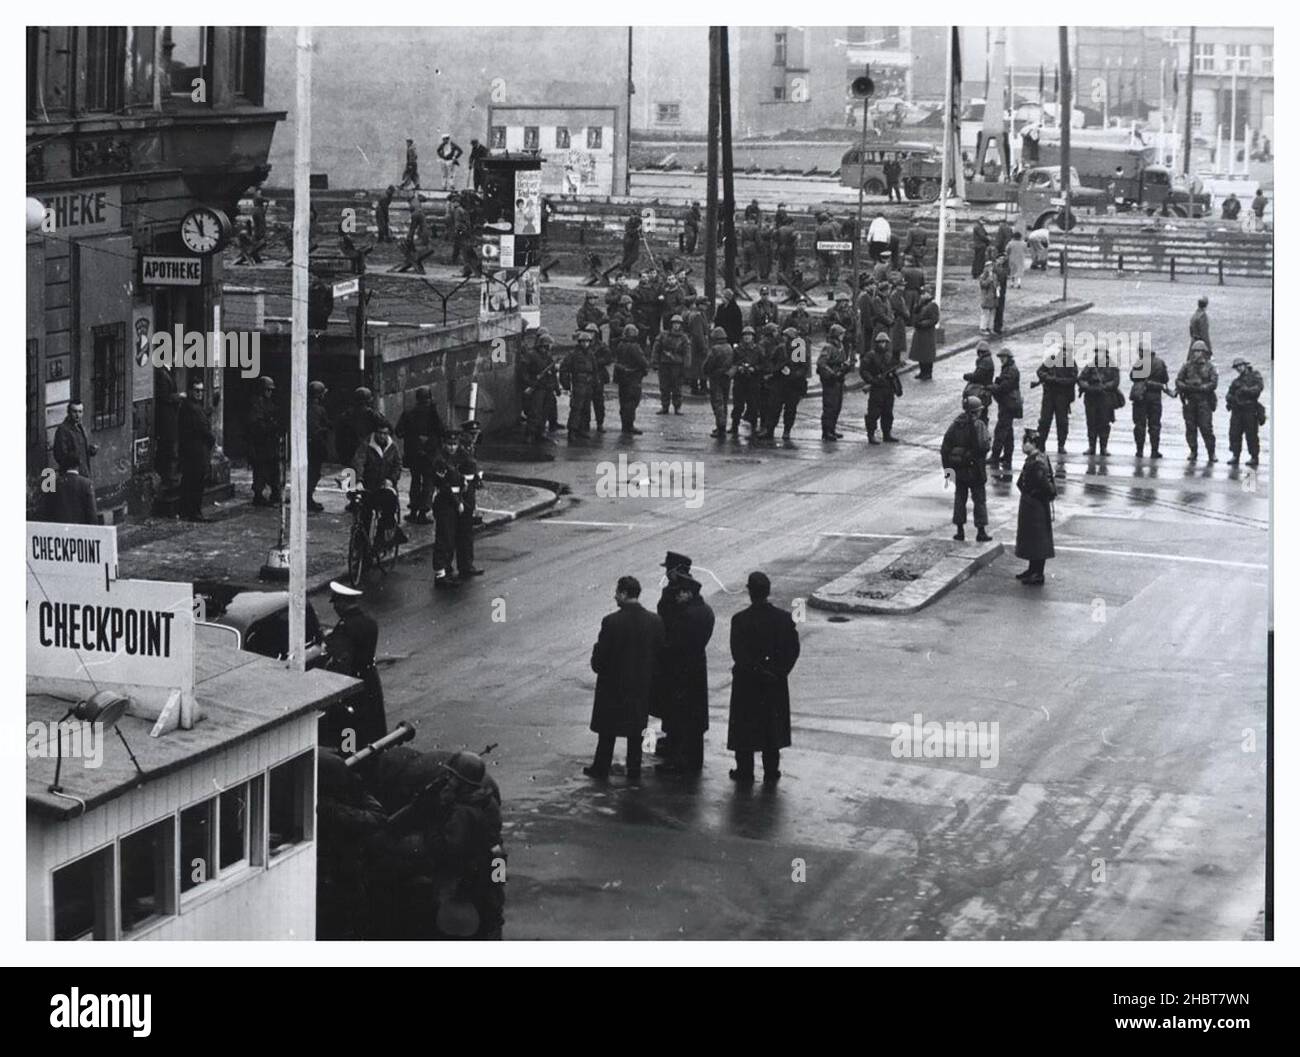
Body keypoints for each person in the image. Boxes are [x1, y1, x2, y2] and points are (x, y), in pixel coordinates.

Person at [585, 575, 664, 783]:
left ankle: (600, 767)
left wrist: (596, 658)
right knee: (636, 730)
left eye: (617, 593)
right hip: (640, 687)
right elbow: (659, 655)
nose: (614, 597)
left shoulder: (611, 622)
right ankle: (634, 769)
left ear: (623, 593)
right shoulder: (654, 621)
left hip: (613, 688)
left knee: (607, 731)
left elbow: (599, 661)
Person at [727, 571, 800, 785]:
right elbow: (793, 649)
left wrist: (756, 671)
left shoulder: (740, 620)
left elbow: (738, 654)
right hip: (774, 683)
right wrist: (778, 672)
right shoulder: (784, 619)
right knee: (771, 728)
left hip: (748, 683)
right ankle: (771, 770)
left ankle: (745, 770)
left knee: (745, 728)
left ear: (749, 592)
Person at [657, 575, 715, 776]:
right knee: (695, 721)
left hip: (681, 672)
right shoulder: (706, 611)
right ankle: (694, 761)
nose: (677, 597)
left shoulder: (686, 615)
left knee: (680, 718)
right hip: (697, 669)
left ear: (689, 593)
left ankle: (679, 763)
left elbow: (673, 644)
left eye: (680, 593)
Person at [323, 581, 387, 748]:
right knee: (372, 722)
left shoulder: (345, 629)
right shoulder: (370, 623)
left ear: (343, 603)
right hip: (370, 680)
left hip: (351, 684)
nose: (335, 608)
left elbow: (342, 661)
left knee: (348, 725)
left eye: (336, 603)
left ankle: (350, 754)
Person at [942, 396, 993, 542]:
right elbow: (984, 447)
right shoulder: (979, 425)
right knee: (979, 500)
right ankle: (981, 531)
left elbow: (945, 449)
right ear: (976, 411)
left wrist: (948, 470)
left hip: (959, 470)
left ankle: (960, 531)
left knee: (959, 499)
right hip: (975, 469)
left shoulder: (955, 425)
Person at [395, 387, 445, 523]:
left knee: (415, 481)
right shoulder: (433, 413)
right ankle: (423, 512)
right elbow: (442, 430)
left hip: (413, 453)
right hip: (429, 454)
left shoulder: (408, 413)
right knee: (429, 482)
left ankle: (413, 510)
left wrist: (412, 438)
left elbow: (398, 431)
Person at [1014, 430, 1056, 586]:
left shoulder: (1037, 461)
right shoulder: (1034, 459)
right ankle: (1033, 569)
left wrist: (1032, 494)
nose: (1023, 445)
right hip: (1031, 503)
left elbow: (1044, 484)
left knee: (1038, 538)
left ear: (1034, 444)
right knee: (1031, 537)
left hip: (1035, 504)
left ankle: (1038, 573)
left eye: (1026, 442)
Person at [427, 430, 463, 587]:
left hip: (452, 500)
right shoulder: (440, 461)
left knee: (451, 537)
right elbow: (445, 486)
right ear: (444, 444)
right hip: (444, 502)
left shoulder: (452, 459)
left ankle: (447, 569)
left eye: (455, 444)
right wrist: (457, 502)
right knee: (444, 537)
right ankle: (440, 573)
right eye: (449, 444)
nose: (452, 447)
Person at [177, 377, 215, 521]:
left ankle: (186, 511)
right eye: (196, 390)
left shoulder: (191, 407)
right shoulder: (192, 408)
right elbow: (203, 430)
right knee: (196, 482)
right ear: (190, 391)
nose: (199, 393)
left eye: (201, 391)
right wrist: (212, 441)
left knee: (189, 481)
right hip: (196, 452)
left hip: (191, 451)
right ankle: (194, 512)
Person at [1176, 340, 1219, 462]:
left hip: (1204, 401)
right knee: (1190, 428)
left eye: (1199, 351)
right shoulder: (1187, 366)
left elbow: (1213, 383)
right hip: (1190, 401)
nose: (1196, 354)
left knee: (1206, 428)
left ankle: (1211, 453)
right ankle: (1193, 451)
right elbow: (1178, 380)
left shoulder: (1210, 367)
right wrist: (1186, 386)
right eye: (1195, 351)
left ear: (1204, 352)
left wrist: (1202, 387)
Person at [452, 421, 486, 577]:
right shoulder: (459, 450)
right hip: (459, 493)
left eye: (476, 434)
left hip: (468, 492)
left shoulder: (470, 448)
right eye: (471, 434)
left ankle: (466, 565)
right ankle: (456, 566)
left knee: (466, 530)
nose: (474, 437)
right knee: (458, 530)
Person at [245, 375, 283, 506]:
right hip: (260, 444)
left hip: (270, 443)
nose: (270, 392)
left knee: (274, 470)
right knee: (260, 471)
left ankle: (275, 494)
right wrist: (271, 425)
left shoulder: (268, 403)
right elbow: (256, 425)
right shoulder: (256, 404)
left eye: (271, 390)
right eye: (267, 390)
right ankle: (258, 495)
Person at [1077, 347, 1121, 457]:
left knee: (1104, 424)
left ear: (1105, 354)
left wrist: (1104, 387)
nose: (1097, 355)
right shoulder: (1090, 366)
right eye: (1096, 352)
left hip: (1105, 399)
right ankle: (1092, 446)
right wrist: (1088, 386)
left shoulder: (1112, 367)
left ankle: (1103, 447)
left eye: (1100, 352)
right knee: (1091, 423)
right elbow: (1081, 379)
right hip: (1091, 398)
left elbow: (1115, 382)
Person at [1130, 342, 1170, 459]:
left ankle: (1139, 451)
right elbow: (1165, 379)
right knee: (1155, 425)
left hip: (1140, 398)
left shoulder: (1140, 362)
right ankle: (1154, 451)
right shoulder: (1160, 362)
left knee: (1139, 425)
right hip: (1155, 398)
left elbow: (1132, 376)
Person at [860, 332, 901, 444]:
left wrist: (893, 375)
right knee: (873, 413)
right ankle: (871, 434)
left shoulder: (888, 355)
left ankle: (887, 433)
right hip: (877, 388)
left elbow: (893, 368)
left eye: (885, 342)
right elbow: (863, 370)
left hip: (888, 388)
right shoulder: (870, 355)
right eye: (881, 342)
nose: (883, 344)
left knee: (888, 412)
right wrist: (872, 380)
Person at [988, 348, 1023, 475]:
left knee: (1001, 430)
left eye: (1003, 357)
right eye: (1000, 357)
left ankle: (996, 456)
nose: (1001, 360)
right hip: (1008, 404)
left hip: (1009, 405)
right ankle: (1007, 457)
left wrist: (992, 387)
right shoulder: (1008, 368)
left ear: (1008, 358)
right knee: (1008, 433)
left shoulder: (1011, 370)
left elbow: (1004, 387)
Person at [560, 328, 600, 439]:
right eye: (583, 341)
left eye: (587, 341)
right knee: (576, 408)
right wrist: (566, 383)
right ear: (579, 342)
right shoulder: (573, 355)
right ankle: (572, 430)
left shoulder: (591, 355)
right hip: (578, 384)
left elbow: (595, 370)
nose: (585, 344)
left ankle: (583, 429)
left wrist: (596, 382)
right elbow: (564, 369)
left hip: (589, 384)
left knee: (586, 408)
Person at [771, 327, 809, 441]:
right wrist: (779, 369)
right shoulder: (780, 349)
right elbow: (772, 362)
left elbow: (804, 367)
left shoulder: (799, 350)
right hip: (780, 382)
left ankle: (787, 430)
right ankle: (770, 429)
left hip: (793, 384)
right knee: (774, 408)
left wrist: (794, 374)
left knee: (790, 409)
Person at [1225, 358, 1264, 468]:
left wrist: (1245, 390)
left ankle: (1254, 456)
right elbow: (1229, 394)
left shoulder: (1255, 376)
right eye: (1236, 367)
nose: (1238, 368)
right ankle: (1235, 455)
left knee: (1251, 434)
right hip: (1237, 410)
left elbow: (1258, 389)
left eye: (1240, 366)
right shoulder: (1236, 381)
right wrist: (1231, 398)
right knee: (1234, 433)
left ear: (1245, 365)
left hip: (1250, 409)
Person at [1036, 356, 1079, 455]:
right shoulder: (1051, 359)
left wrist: (1059, 381)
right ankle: (1041, 445)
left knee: (1062, 422)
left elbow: (1073, 378)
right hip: (1049, 396)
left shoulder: (1071, 362)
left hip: (1063, 397)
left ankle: (1061, 445)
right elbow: (1039, 371)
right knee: (1044, 421)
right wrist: (1049, 378)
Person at [816, 324, 851, 442]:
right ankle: (826, 431)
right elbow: (821, 363)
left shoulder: (841, 346)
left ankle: (832, 429)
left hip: (839, 379)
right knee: (829, 407)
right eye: (841, 334)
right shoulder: (828, 347)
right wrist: (832, 373)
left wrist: (846, 367)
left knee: (837, 406)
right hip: (830, 381)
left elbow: (843, 361)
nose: (843, 336)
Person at [45, 449, 98, 525]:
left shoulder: (55, 483)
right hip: (80, 530)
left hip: (60, 530)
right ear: (78, 465)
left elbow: (49, 510)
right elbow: (92, 513)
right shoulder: (86, 483)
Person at [612, 324, 648, 435]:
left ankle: (625, 425)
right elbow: (643, 362)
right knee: (632, 403)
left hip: (622, 378)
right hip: (633, 378)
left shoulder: (620, 345)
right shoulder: (634, 347)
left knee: (624, 402)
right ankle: (629, 426)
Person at [652, 314, 690, 415]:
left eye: (678, 324)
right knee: (664, 387)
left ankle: (677, 407)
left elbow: (687, 352)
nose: (676, 326)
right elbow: (656, 348)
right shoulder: (663, 335)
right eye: (674, 324)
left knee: (677, 387)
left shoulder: (683, 338)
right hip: (664, 364)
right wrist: (655, 362)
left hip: (677, 365)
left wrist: (686, 365)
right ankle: (665, 406)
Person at [700, 326, 734, 439]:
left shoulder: (715, 349)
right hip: (726, 378)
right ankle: (722, 424)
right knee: (724, 402)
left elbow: (708, 364)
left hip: (716, 378)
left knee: (717, 402)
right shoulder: (729, 348)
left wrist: (706, 372)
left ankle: (720, 427)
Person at [52, 401, 96, 479]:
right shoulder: (63, 430)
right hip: (71, 476)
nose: (77, 415)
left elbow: (81, 448)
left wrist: (90, 450)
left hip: (84, 473)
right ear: (68, 412)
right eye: (74, 412)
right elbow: (60, 456)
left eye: (80, 412)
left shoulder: (80, 427)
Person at [306, 380, 332, 513]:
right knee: (313, 473)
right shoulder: (319, 410)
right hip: (315, 446)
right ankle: (308, 498)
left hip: (307, 445)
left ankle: (307, 497)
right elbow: (321, 429)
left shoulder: (306, 407)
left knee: (310, 473)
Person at [336, 386, 378, 466]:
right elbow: (388, 429)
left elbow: (338, 438)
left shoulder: (345, 415)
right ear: (368, 401)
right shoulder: (374, 415)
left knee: (352, 476)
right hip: (369, 455)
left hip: (350, 455)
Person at [730, 327, 760, 435]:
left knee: (753, 405)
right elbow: (732, 363)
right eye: (745, 335)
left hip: (753, 381)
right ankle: (734, 425)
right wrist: (738, 368)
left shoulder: (758, 349)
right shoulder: (737, 350)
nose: (747, 337)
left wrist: (754, 368)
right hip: (740, 380)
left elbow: (763, 365)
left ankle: (754, 426)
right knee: (738, 405)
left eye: (749, 335)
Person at [909, 288, 939, 381]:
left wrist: (922, 324)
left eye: (924, 293)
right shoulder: (921, 304)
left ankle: (928, 372)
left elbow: (934, 319)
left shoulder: (933, 305)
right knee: (920, 353)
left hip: (927, 333)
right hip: (920, 333)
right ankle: (922, 371)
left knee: (927, 354)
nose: (922, 295)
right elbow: (914, 313)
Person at [962, 342, 996, 423]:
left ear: (980, 352)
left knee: (980, 415)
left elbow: (978, 376)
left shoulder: (985, 361)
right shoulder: (986, 360)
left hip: (982, 393)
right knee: (982, 413)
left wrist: (967, 376)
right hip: (984, 392)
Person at [815, 212, 840, 287]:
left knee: (822, 266)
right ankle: (833, 280)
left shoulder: (818, 228)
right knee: (833, 264)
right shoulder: (830, 228)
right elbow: (834, 239)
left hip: (821, 250)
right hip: (830, 249)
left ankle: (822, 281)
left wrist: (816, 252)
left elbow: (815, 241)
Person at [978, 260, 998, 333]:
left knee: (992, 314)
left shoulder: (994, 275)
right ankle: (983, 328)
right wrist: (989, 280)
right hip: (986, 297)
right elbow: (983, 285)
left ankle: (990, 327)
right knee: (985, 314)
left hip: (993, 297)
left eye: (991, 266)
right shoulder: (983, 276)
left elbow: (996, 284)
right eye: (988, 266)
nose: (990, 268)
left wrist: (997, 287)